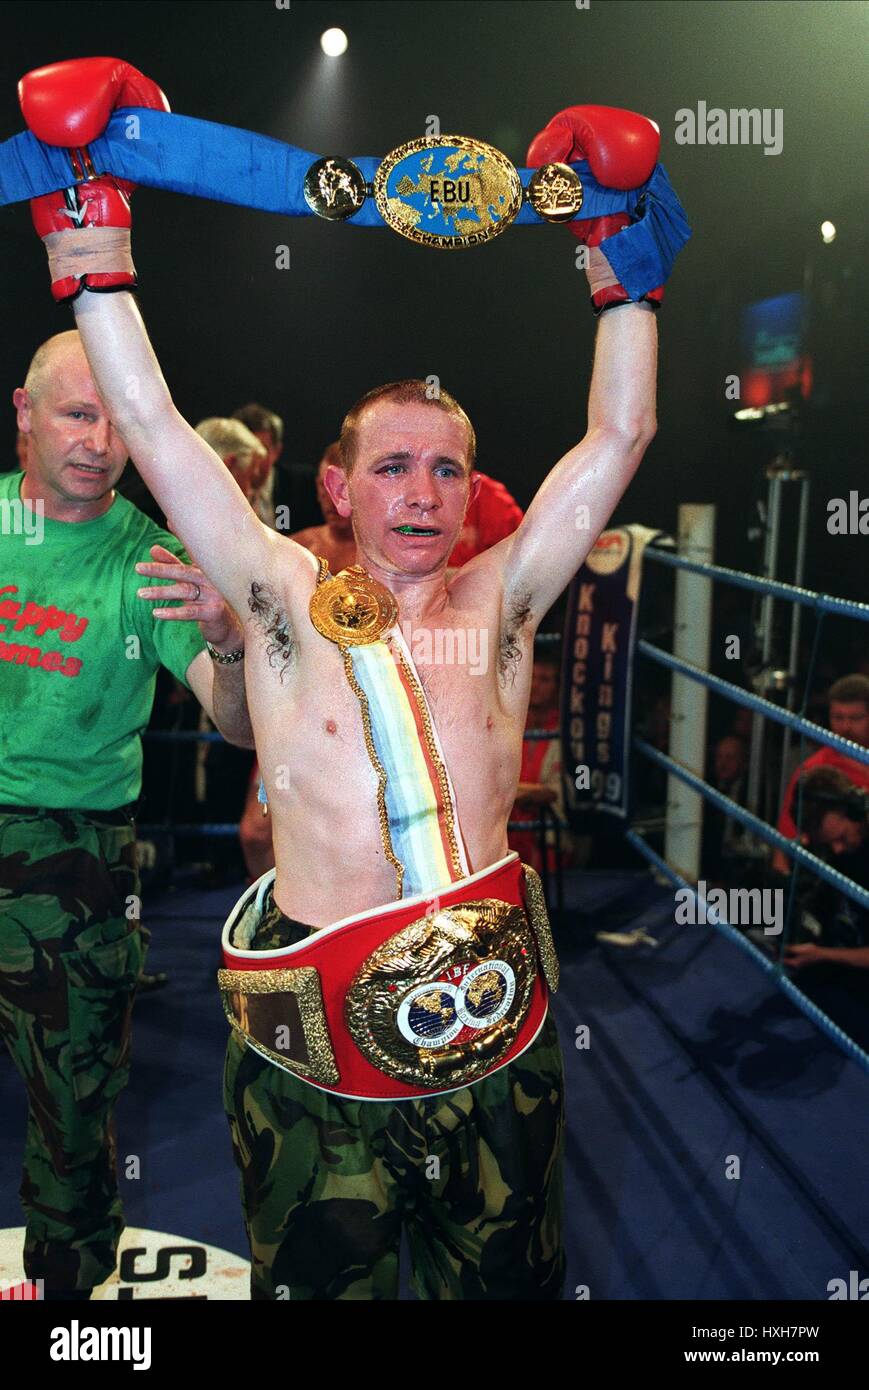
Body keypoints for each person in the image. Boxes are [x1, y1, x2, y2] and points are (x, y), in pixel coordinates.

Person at [21, 58, 685, 1299]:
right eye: (391, 467)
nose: (421, 493)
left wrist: (619, 258)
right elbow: (156, 428)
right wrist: (86, 227)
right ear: (336, 485)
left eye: (444, 468)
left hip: (495, 1036)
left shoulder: (504, 599)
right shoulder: (276, 595)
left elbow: (619, 435)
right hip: (317, 1054)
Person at [0, 329, 255, 1302]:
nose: (100, 440)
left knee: (71, 1108)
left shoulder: (154, 559)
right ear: (24, 414)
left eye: (119, 418)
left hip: (72, 856)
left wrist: (230, 645)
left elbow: (234, 728)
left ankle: (68, 1305)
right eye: (76, 412)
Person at [773, 674, 869, 872]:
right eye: (838, 717)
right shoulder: (814, 772)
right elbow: (785, 844)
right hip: (836, 877)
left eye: (856, 718)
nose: (846, 727)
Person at [231, 401, 283, 528]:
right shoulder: (220, 488)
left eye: (261, 449)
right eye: (246, 450)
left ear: (276, 451)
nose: (254, 458)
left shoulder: (303, 486)